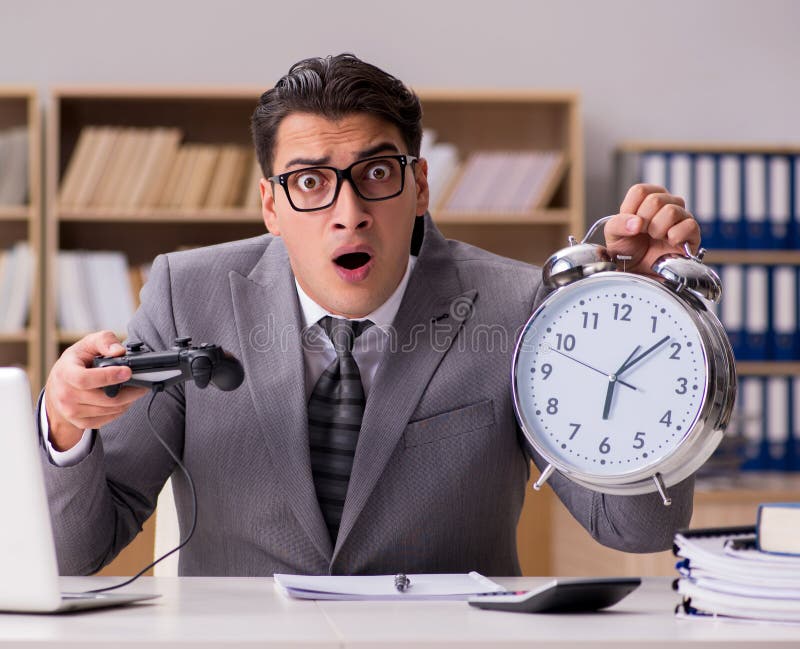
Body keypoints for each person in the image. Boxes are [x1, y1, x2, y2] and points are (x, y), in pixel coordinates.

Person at [41, 53, 701, 577]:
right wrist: (66, 425)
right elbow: (74, 554)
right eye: (309, 181)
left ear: (418, 187)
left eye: (377, 173)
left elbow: (637, 531)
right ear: (270, 205)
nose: (348, 211)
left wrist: (639, 318)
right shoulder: (188, 293)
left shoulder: (517, 305)